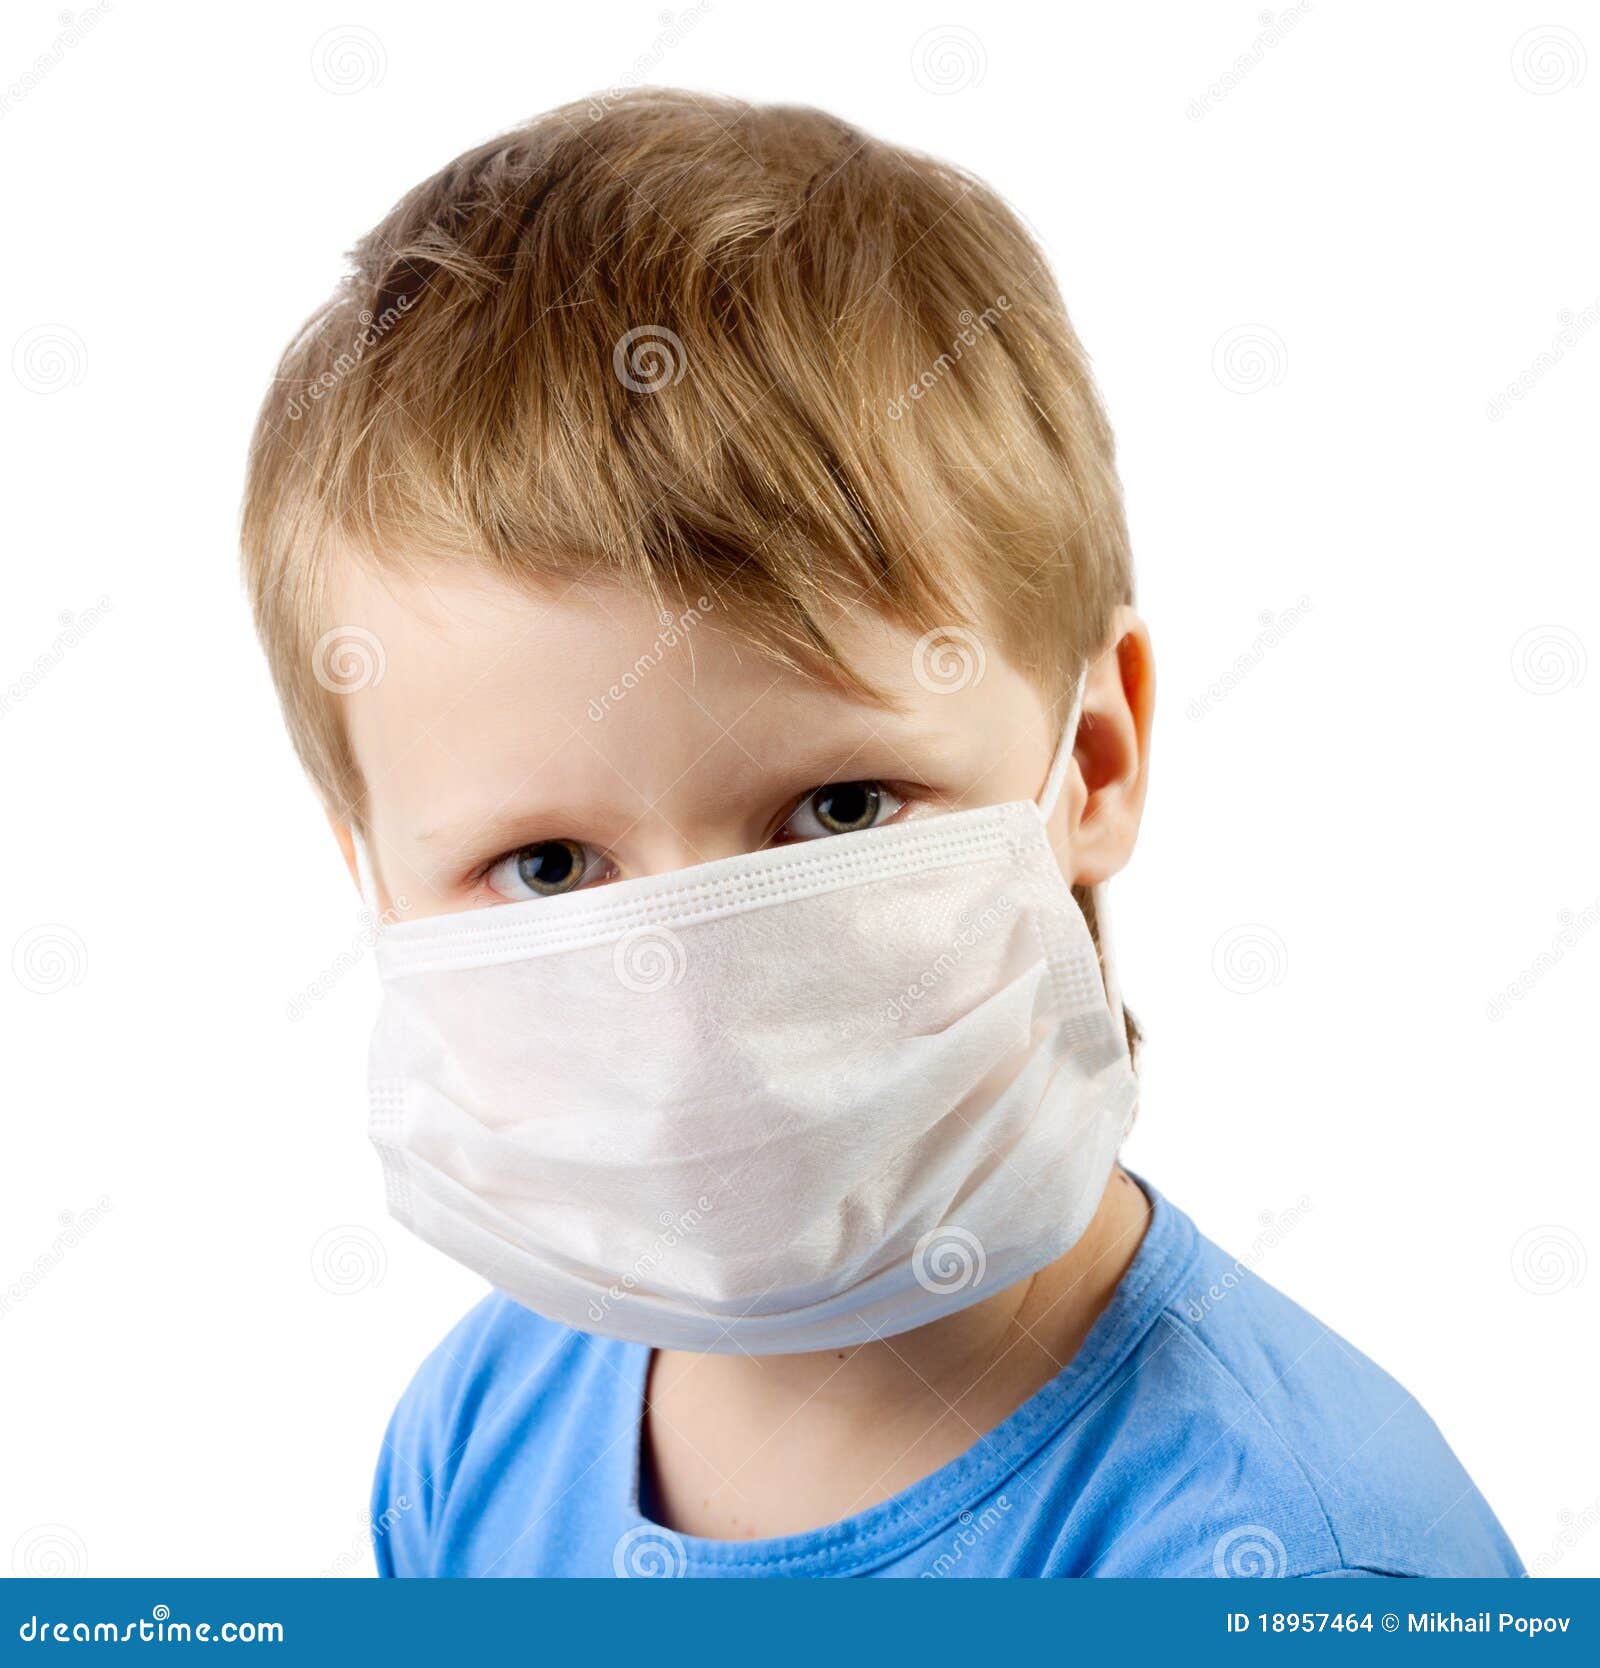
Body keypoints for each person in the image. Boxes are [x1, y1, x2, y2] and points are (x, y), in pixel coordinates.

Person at [240, 90, 1521, 1580]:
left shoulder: (1284, 1560)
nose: (697, 1009)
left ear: (1089, 761)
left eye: (838, 811)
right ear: (373, 883)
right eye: (548, 868)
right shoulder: (480, 1428)